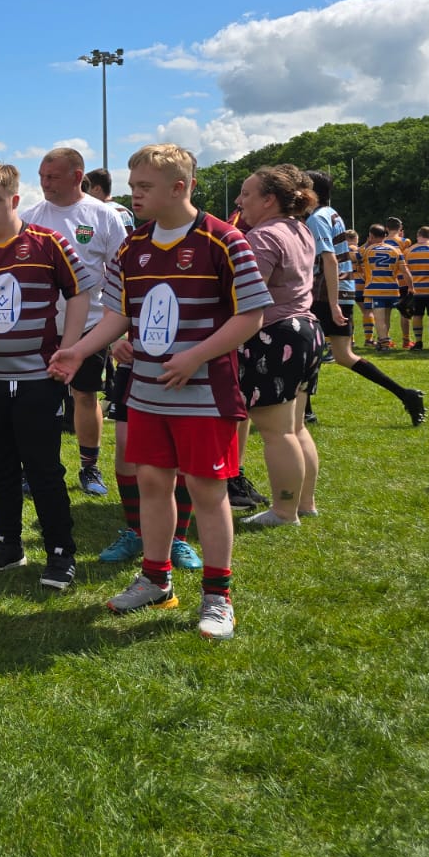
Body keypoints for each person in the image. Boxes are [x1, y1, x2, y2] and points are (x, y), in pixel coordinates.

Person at [51, 144, 272, 641]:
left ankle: (217, 596)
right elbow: (118, 314)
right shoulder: (132, 245)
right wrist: (80, 351)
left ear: (180, 187)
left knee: (207, 491)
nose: (135, 195)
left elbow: (251, 315)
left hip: (205, 394)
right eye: (133, 185)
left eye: (145, 187)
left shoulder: (224, 239)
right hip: (147, 392)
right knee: (151, 483)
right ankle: (156, 579)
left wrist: (195, 356)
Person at [0, 163, 94, 588]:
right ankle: (8, 542)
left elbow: (79, 292)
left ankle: (61, 551)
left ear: (14, 200)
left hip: (37, 377)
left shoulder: (48, 243)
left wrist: (69, 349)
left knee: (44, 468)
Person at [23, 146, 130, 498]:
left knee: (85, 396)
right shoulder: (31, 216)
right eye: (42, 176)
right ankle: (37, 467)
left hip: (90, 325)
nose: (45, 183)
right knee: (38, 399)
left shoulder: (104, 216)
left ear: (77, 176)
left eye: (52, 177)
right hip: (42, 325)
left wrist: (118, 329)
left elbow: (121, 273)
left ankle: (89, 466)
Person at [233, 166, 323, 529]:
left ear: (269, 199)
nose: (240, 201)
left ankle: (284, 512)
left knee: (277, 433)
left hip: (276, 335)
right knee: (296, 427)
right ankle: (304, 504)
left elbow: (249, 297)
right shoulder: (299, 228)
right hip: (305, 331)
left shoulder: (263, 237)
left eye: (247, 194)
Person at [303, 171, 426, 425]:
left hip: (326, 292)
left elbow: (329, 260)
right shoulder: (330, 213)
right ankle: (406, 394)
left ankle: (306, 411)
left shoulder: (317, 218)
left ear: (311, 191)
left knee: (307, 349)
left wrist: (333, 303)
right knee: (343, 355)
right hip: (342, 290)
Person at [359, 224, 410, 350]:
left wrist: (366, 243)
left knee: (379, 319)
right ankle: (384, 339)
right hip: (392, 289)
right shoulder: (395, 250)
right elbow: (405, 271)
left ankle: (384, 343)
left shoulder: (367, 250)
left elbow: (354, 257)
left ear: (371, 236)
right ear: (385, 235)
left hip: (375, 289)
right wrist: (411, 287)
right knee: (386, 317)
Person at [404, 226, 429, 350]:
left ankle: (418, 342)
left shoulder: (409, 251)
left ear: (418, 235)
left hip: (416, 289)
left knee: (417, 316)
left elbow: (405, 270)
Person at [86, 167, 136, 231]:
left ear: (96, 189)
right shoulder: (90, 211)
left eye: (85, 188)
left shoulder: (120, 213)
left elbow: (127, 237)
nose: (83, 193)